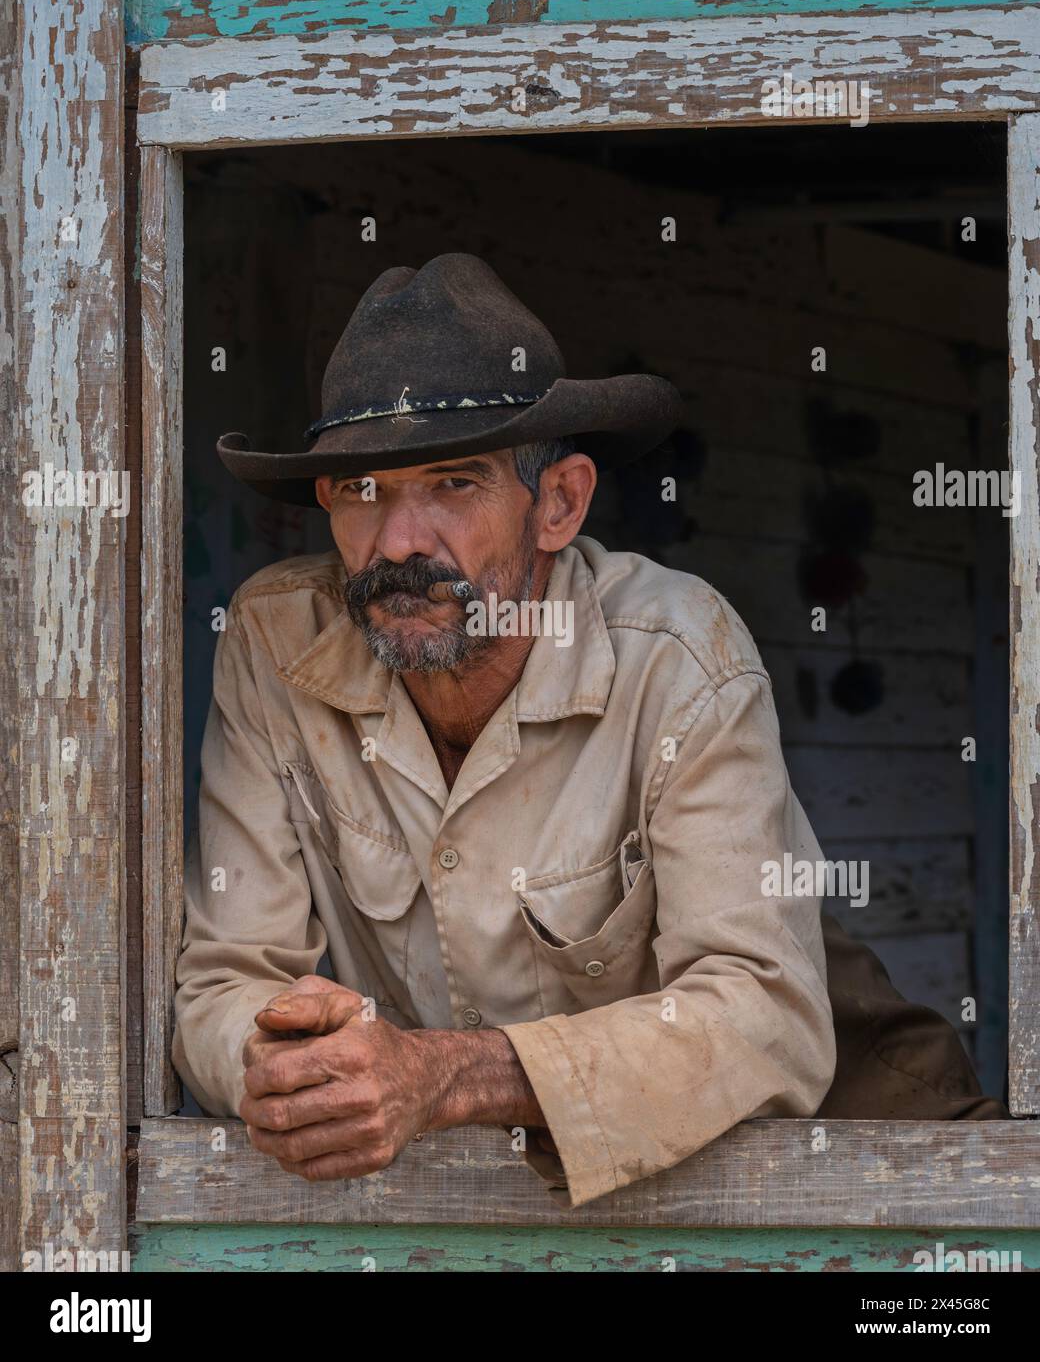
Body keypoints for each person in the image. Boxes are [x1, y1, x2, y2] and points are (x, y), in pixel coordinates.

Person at [173, 253, 1006, 1210]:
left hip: (837, 1122)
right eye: (362, 488)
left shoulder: (682, 654)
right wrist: (283, 1073)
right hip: (494, 1187)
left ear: (560, 502)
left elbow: (762, 1016)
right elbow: (226, 981)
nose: (398, 541)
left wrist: (445, 1077)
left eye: (453, 482)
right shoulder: (277, 646)